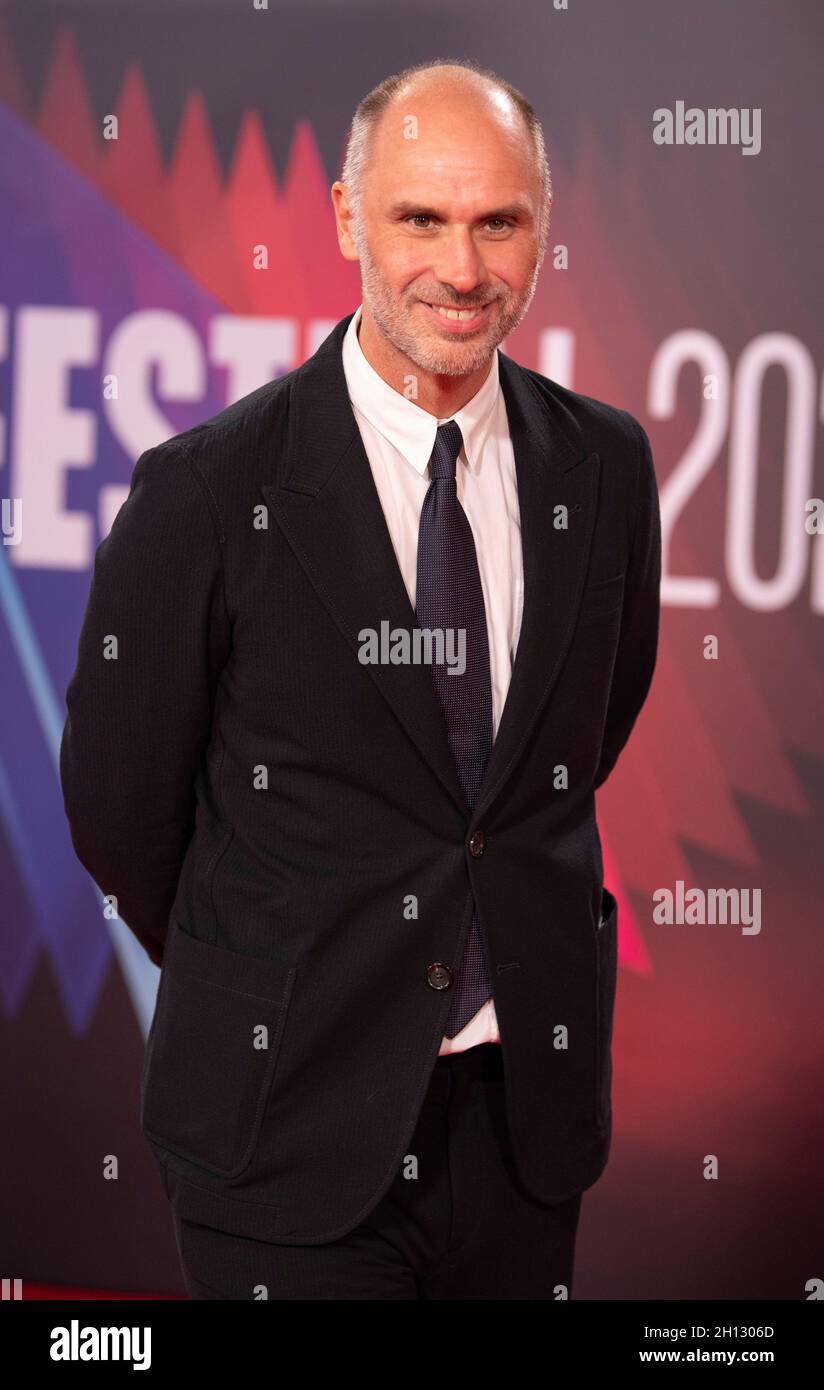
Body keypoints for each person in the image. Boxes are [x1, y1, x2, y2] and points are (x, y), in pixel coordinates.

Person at [59, 57, 661, 1300]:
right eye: (419, 218)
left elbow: (567, 752)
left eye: (497, 222)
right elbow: (121, 805)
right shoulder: (210, 490)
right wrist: (275, 958)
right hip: (284, 1129)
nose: (461, 267)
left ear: (540, 230)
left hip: (521, 1133)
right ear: (343, 219)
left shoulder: (603, 468)